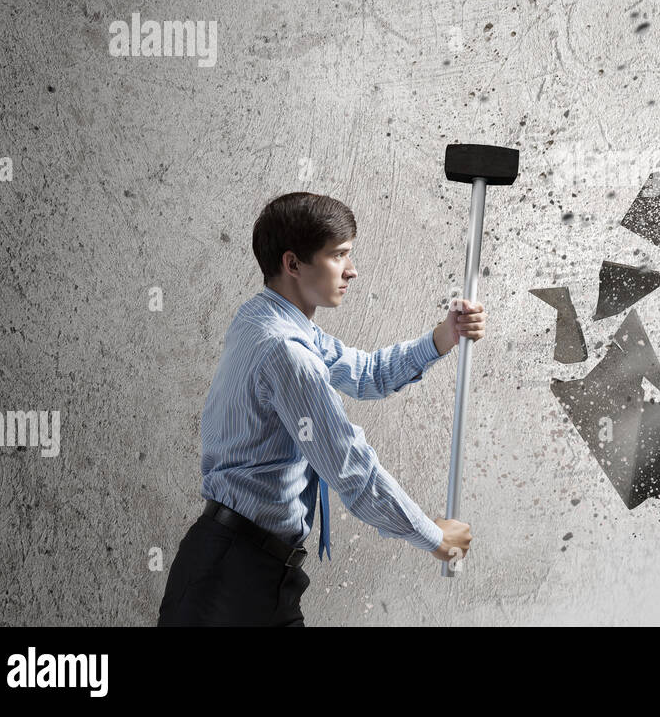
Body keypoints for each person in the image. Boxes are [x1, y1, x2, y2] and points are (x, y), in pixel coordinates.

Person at [157, 191, 482, 626]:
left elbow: (366, 374)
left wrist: (444, 337)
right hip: (232, 583)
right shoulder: (285, 352)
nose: (352, 270)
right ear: (293, 264)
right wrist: (435, 538)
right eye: (338, 255)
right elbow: (352, 473)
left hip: (250, 568)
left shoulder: (268, 319)